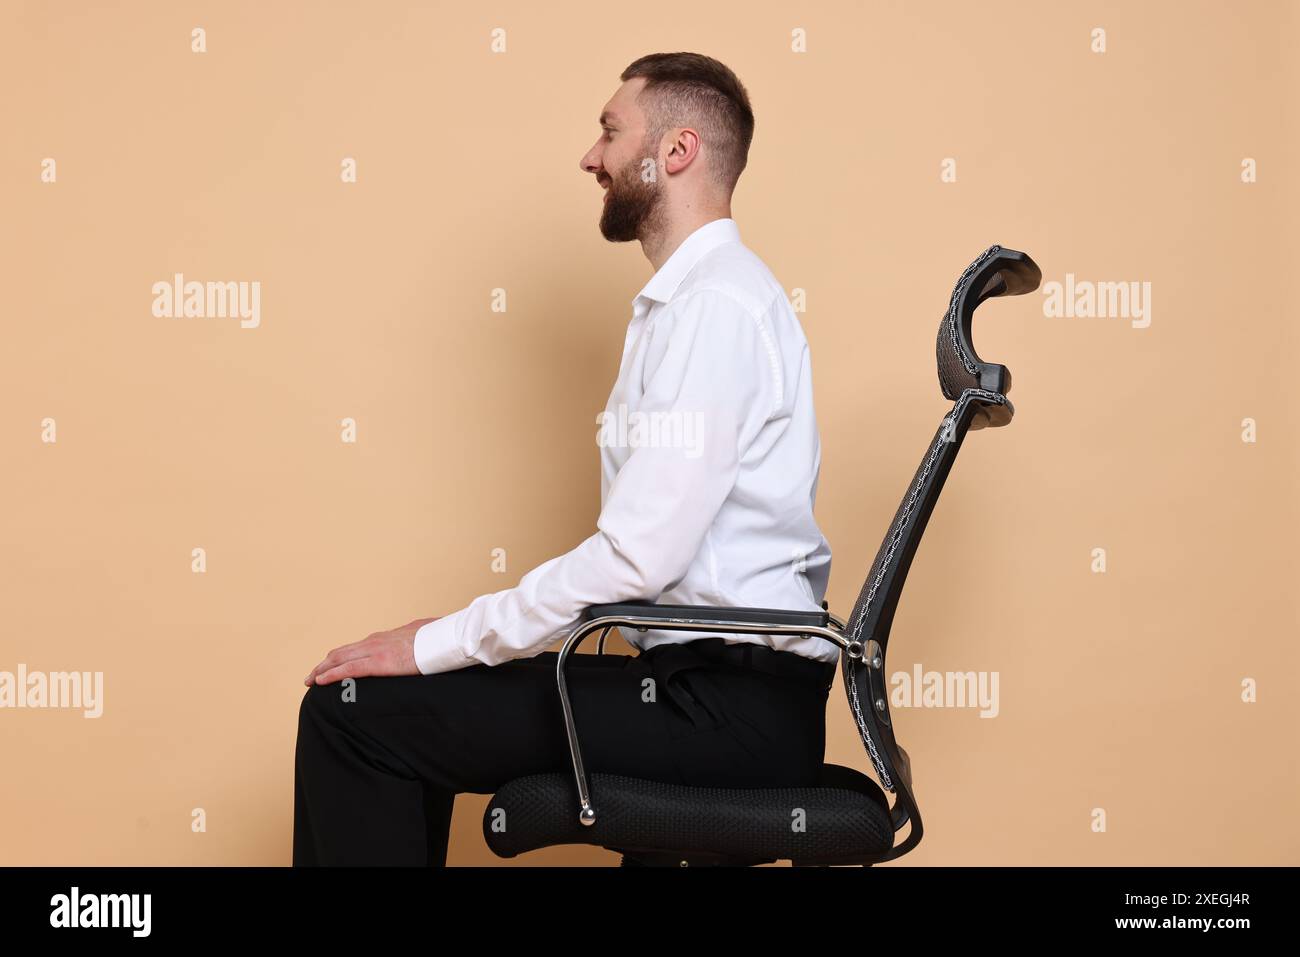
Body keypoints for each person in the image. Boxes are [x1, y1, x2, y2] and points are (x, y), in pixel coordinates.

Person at [294, 52, 836, 866]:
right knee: (395, 703)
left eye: (611, 132)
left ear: (676, 152)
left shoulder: (714, 307)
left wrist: (435, 643)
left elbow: (636, 556)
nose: (592, 156)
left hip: (724, 709)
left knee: (355, 713)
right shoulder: (697, 302)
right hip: (712, 693)